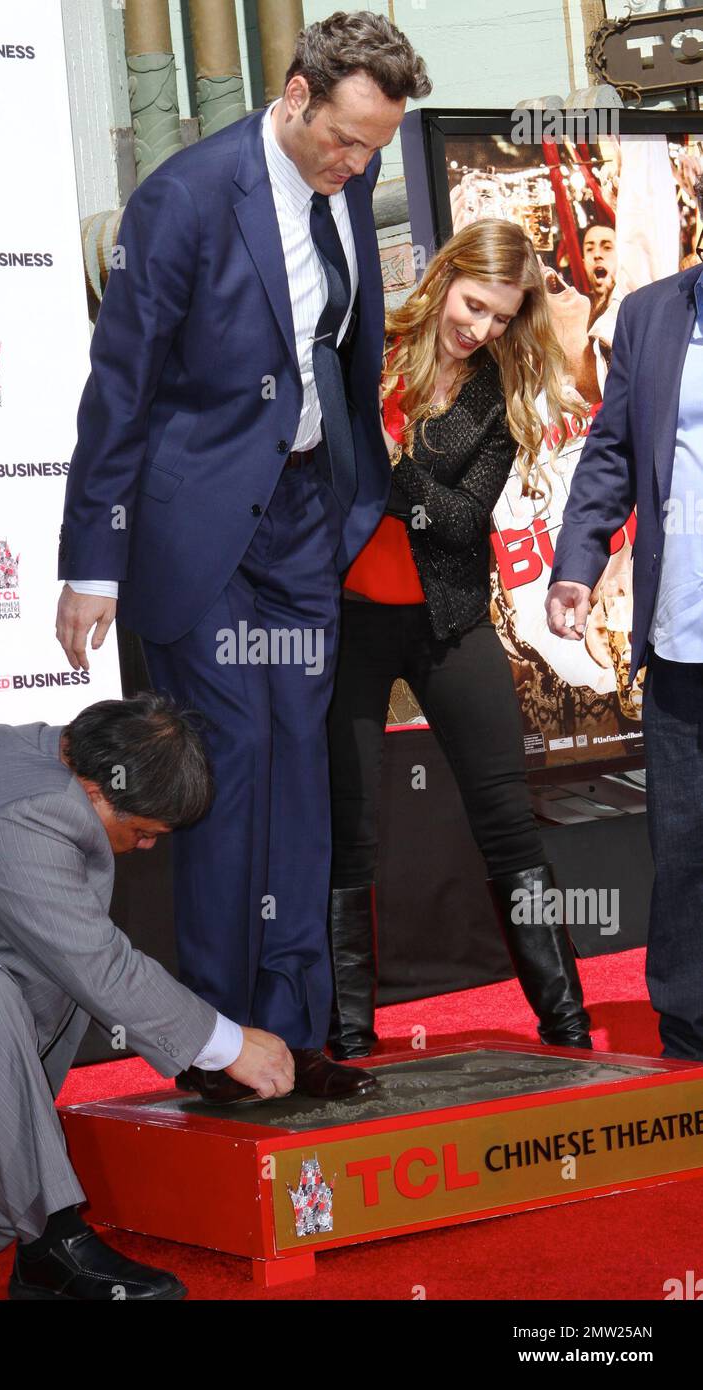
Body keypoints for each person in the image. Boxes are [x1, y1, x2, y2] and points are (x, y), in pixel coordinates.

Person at [55, 13, 431, 1102]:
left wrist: (353, 492)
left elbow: (339, 348)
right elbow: (117, 391)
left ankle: (293, 1032)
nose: (354, 165)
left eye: (371, 149)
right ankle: (220, 1045)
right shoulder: (179, 203)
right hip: (201, 530)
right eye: (343, 141)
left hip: (303, 520)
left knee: (300, 780)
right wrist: (93, 561)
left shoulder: (344, 184)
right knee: (226, 777)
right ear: (294, 93)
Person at [0, 695, 293, 1300]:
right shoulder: (30, 810)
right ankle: (54, 1247)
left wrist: (190, 1058)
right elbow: (95, 961)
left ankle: (30, 1218)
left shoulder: (46, 753)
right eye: (144, 832)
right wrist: (224, 1044)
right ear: (98, 790)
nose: (147, 848)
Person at [326, 219, 593, 1059]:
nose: (481, 328)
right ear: (444, 278)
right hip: (348, 619)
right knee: (352, 828)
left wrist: (386, 469)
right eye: (475, 304)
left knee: (510, 824)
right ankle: (350, 1038)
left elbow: (466, 520)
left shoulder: (496, 393)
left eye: (503, 317)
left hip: (450, 618)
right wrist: (413, 487)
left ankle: (571, 1026)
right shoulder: (365, 350)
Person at [546, 176, 703, 1062]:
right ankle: (689, 1034)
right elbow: (608, 453)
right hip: (682, 636)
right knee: (683, 847)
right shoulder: (648, 317)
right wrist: (576, 565)